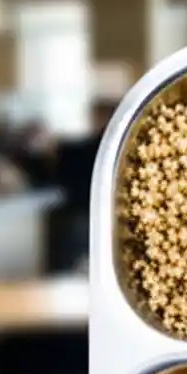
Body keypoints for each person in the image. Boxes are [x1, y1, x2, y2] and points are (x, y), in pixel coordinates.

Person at [46, 99, 117, 273]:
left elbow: (58, 175)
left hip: (82, 216)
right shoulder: (115, 148)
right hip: (104, 217)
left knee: (74, 267)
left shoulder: (80, 150)